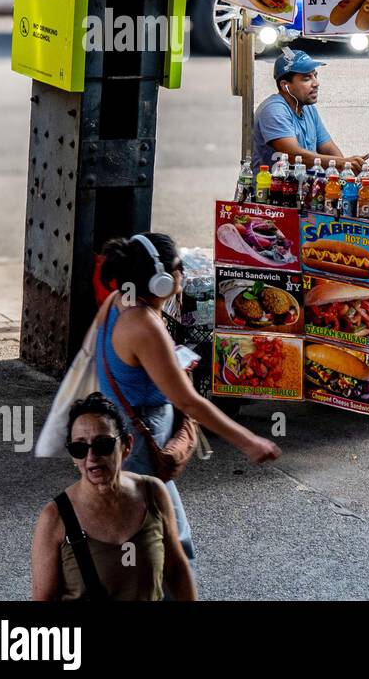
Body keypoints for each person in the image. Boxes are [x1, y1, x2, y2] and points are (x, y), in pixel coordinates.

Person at [95, 232, 281, 568]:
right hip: (140, 444)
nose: (184, 273)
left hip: (130, 437)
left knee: (166, 541)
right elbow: (190, 403)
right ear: (162, 280)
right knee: (168, 549)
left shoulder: (116, 302)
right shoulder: (142, 325)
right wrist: (249, 441)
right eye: (179, 267)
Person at [31, 393, 195, 600]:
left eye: (103, 445)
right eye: (79, 448)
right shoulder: (55, 517)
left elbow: (176, 570)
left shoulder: (153, 493)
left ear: (126, 446)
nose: (91, 457)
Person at [253, 50, 369, 172]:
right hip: (271, 189)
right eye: (306, 78)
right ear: (285, 86)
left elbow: (330, 150)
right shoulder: (273, 110)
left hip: (305, 188)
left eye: (315, 76)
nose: (316, 83)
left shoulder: (309, 109)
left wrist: (348, 167)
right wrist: (342, 163)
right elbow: (293, 156)